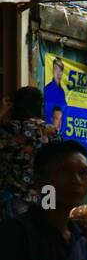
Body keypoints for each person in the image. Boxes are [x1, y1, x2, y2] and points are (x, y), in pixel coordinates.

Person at [0, 86, 59, 219]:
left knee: (18, 236)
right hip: (47, 193)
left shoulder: (11, 128)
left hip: (17, 193)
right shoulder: (52, 132)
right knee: (46, 235)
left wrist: (2, 112)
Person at [44, 57, 67, 134]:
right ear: (52, 71)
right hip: (48, 132)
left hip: (59, 132)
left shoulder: (62, 92)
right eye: (55, 69)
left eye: (60, 70)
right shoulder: (47, 89)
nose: (58, 72)